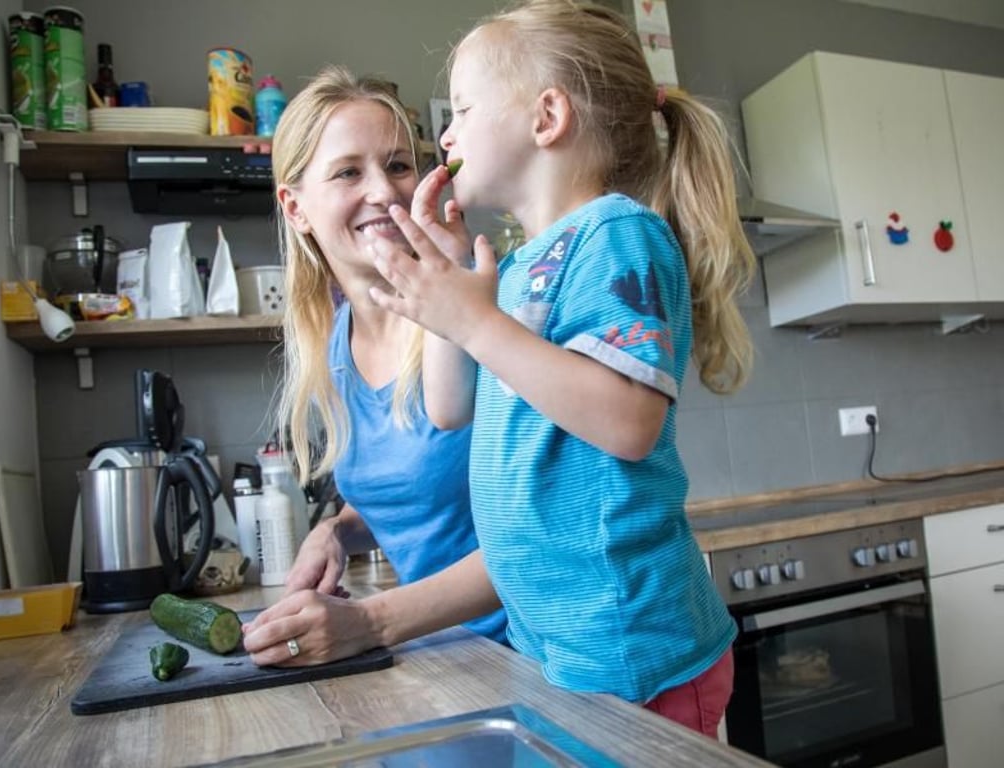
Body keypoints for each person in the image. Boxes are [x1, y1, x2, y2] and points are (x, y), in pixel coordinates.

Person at [366, 0, 755, 738]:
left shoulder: (616, 233)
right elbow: (451, 408)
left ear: (547, 117)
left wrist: (473, 318)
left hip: (631, 646)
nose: (444, 134)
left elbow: (630, 422)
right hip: (558, 647)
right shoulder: (512, 270)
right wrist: (450, 287)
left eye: (464, 109)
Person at [241, 66, 507, 667]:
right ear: (296, 206)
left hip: (541, 660)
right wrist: (334, 530)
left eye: (397, 165)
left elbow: (548, 523)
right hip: (448, 665)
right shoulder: (333, 345)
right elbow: (417, 498)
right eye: (347, 172)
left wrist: (368, 621)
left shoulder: (485, 305)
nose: (384, 192)